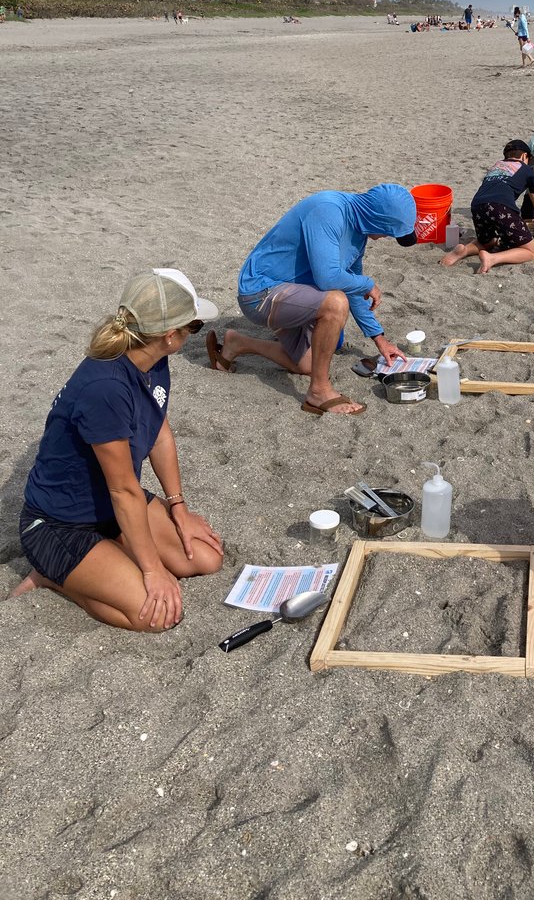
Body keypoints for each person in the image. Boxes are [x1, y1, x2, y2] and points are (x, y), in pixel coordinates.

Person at [10, 270, 224, 631]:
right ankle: (53, 575)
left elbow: (158, 434)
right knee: (156, 616)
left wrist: (179, 507)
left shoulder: (153, 360)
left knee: (205, 559)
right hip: (59, 524)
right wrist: (152, 570)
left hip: (112, 506)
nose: (192, 333)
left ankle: (110, 557)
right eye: (195, 326)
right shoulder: (105, 387)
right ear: (170, 336)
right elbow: (123, 489)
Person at [207, 185, 417, 416]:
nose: (386, 237)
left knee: (308, 364)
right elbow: (328, 279)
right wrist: (368, 284)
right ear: (377, 218)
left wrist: (380, 339)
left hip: (293, 293)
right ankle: (319, 392)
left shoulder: (359, 229)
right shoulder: (328, 210)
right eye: (388, 231)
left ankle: (237, 343)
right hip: (259, 293)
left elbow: (351, 286)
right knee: (335, 304)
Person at [440, 140, 534, 274]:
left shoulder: (496, 166)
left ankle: (464, 250)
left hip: (477, 205)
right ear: (524, 156)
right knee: (531, 252)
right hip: (501, 206)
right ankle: (492, 258)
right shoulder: (527, 170)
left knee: (488, 242)